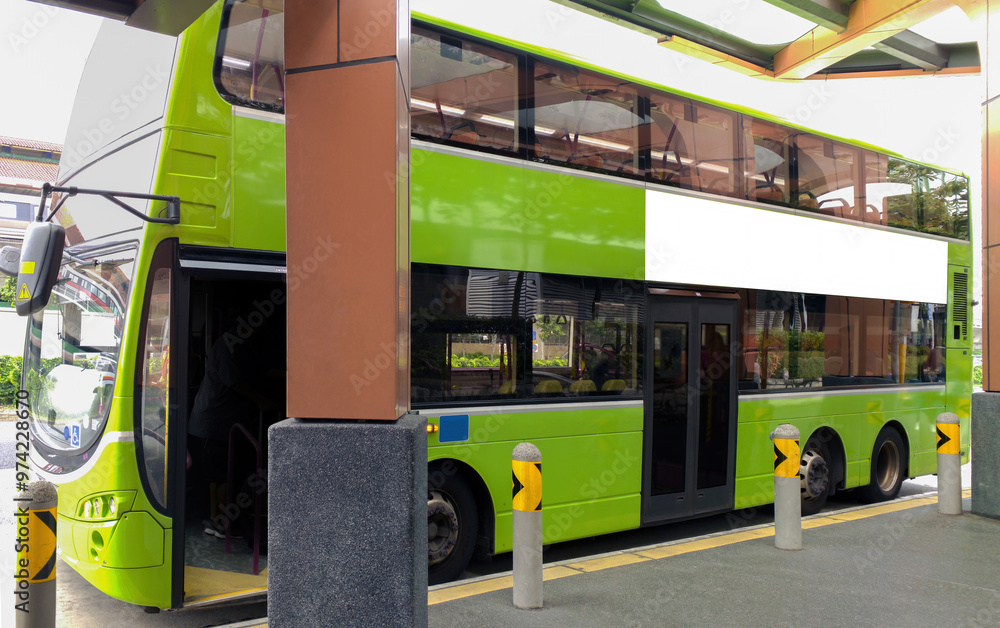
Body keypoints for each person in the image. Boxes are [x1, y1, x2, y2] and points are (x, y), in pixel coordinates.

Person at [189, 311, 281, 538]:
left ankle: (219, 520)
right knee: (221, 475)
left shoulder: (242, 348)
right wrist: (261, 401)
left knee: (221, 474)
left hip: (221, 423)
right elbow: (236, 382)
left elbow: (259, 370)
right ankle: (218, 522)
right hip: (214, 423)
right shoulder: (228, 346)